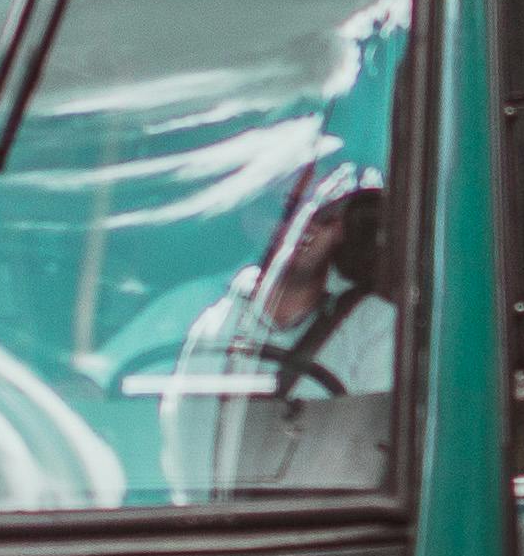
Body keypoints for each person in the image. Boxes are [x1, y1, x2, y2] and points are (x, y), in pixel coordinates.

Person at [157, 175, 397, 496]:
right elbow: (183, 438)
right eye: (286, 212)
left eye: (321, 217)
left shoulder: (374, 322)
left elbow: (369, 450)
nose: (302, 229)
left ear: (341, 229)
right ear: (253, 221)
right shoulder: (210, 316)